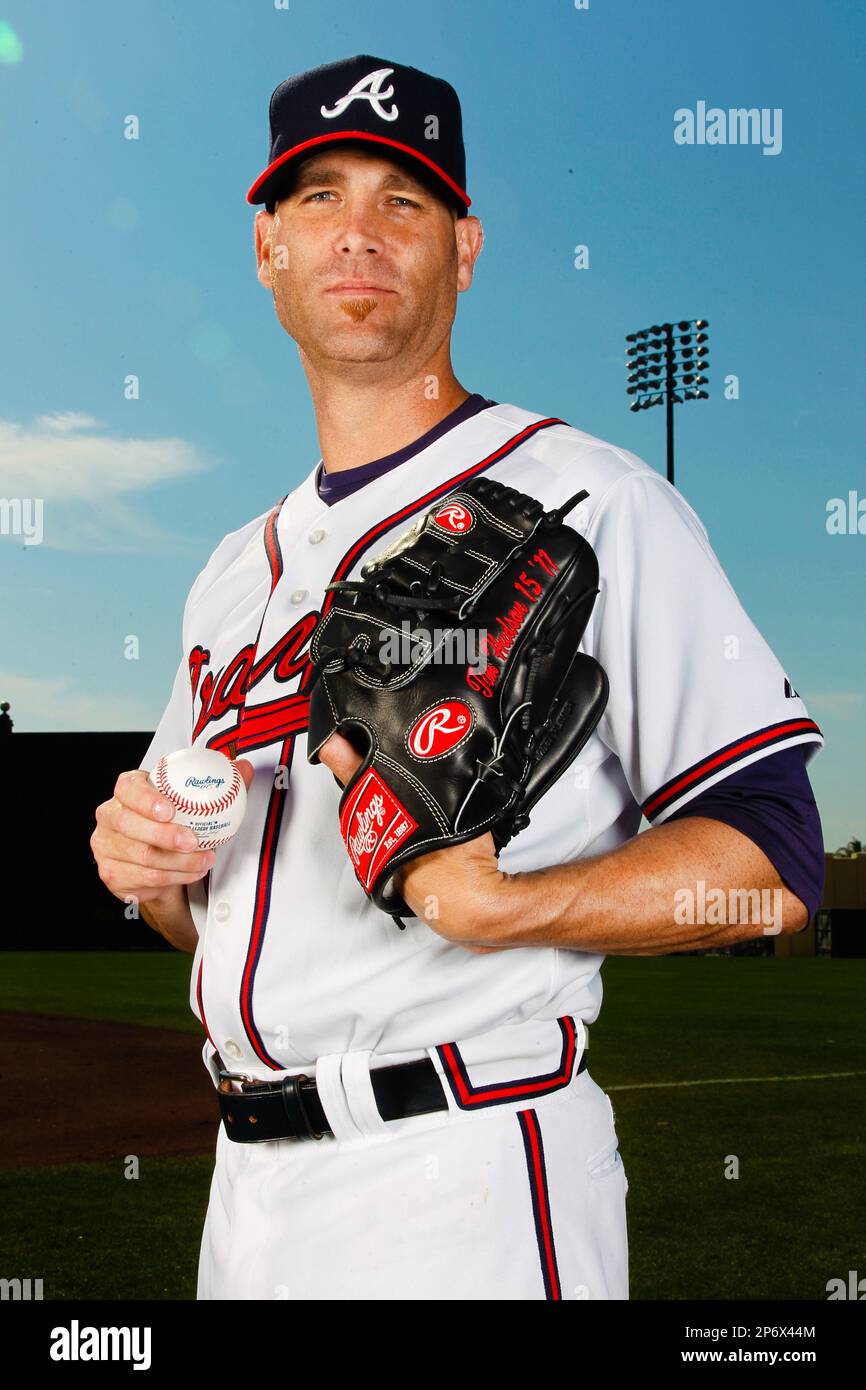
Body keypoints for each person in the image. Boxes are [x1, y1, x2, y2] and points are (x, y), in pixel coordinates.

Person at [90, 54, 825, 1301]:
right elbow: (202, 911)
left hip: (464, 1182)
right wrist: (146, 868)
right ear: (266, 249)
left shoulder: (593, 500)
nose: (357, 234)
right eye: (318, 198)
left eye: (404, 201)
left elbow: (775, 870)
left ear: (464, 247)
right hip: (246, 1190)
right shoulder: (230, 571)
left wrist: (503, 907)